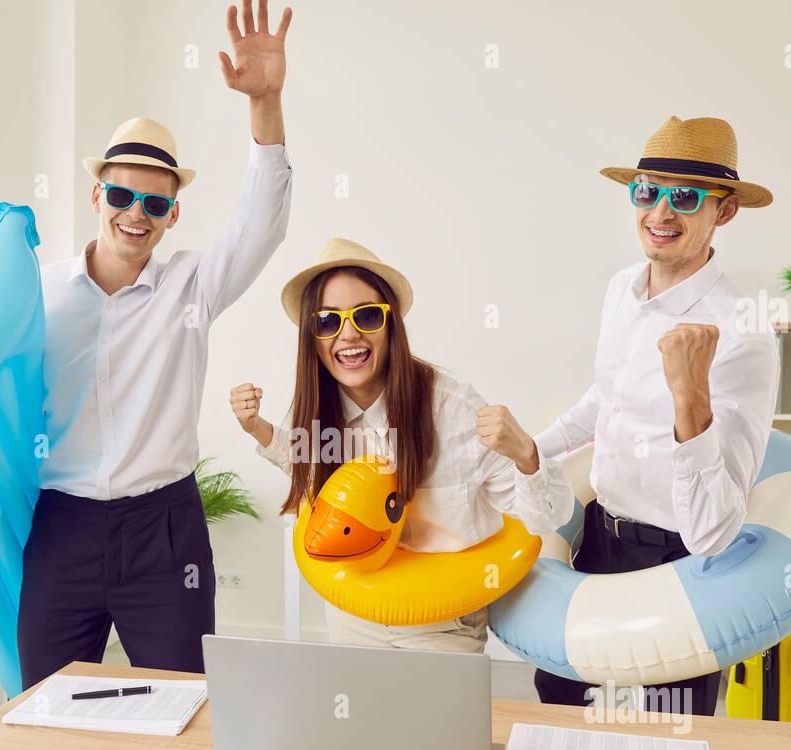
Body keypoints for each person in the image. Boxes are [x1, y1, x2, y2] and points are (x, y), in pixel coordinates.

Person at [0, 1, 294, 690]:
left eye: (155, 204)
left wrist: (266, 104)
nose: (137, 214)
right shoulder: (35, 294)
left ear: (172, 214)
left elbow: (263, 220)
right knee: (45, 701)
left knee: (183, 705)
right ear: (96, 195)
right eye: (122, 195)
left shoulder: (192, 286)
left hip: (166, 529)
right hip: (62, 526)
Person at [530, 115, 779, 715]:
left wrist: (689, 395)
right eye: (647, 192)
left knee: (665, 745)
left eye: (685, 197)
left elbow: (714, 532)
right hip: (597, 541)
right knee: (561, 707)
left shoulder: (743, 331)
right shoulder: (622, 288)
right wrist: (530, 450)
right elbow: (605, 399)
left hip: (678, 566)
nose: (660, 213)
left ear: (724, 212)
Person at [231, 238, 573, 651]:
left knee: (433, 718)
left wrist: (527, 456)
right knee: (350, 717)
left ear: (391, 325)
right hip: (355, 611)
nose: (349, 334)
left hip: (440, 622)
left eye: (367, 316)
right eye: (327, 322)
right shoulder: (321, 407)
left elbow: (541, 519)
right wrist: (258, 430)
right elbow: (308, 465)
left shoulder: (451, 407)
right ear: (312, 337)